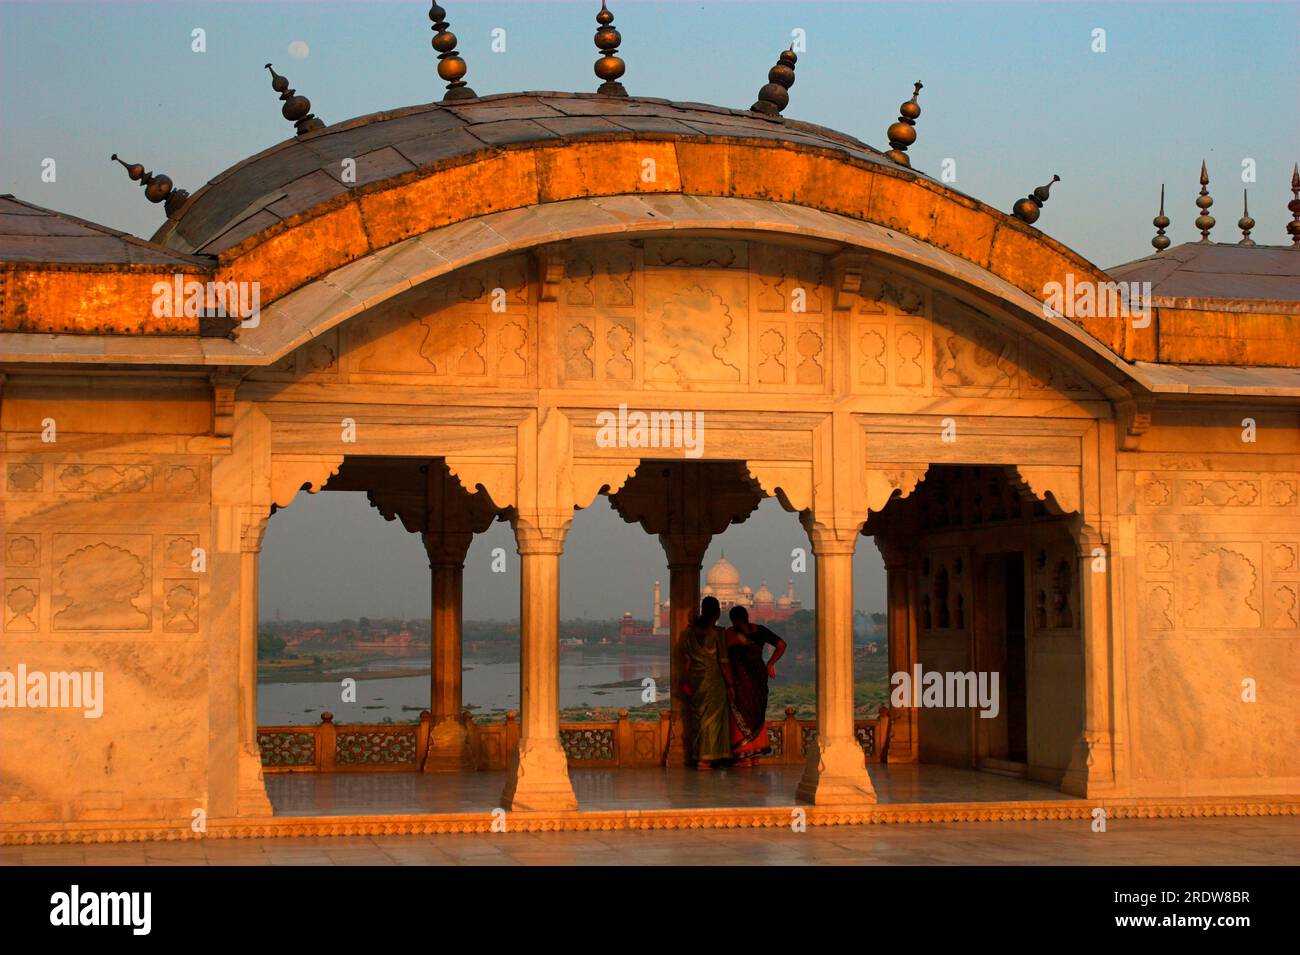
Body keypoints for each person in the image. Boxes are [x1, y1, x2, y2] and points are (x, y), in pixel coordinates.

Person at [724, 605, 787, 767]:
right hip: (759, 676)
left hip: (740, 680)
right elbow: (781, 645)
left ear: (734, 620)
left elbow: (721, 659)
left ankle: (743, 755)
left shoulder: (730, 634)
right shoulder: (760, 630)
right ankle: (754, 755)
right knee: (756, 713)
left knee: (741, 714)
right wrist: (770, 664)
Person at [679, 596, 734, 769]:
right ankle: (709, 757)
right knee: (714, 720)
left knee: (700, 720)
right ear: (717, 613)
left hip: (696, 681)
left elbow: (686, 662)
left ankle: (701, 756)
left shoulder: (688, 634)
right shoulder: (718, 634)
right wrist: (731, 685)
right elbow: (724, 662)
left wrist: (685, 682)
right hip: (714, 681)